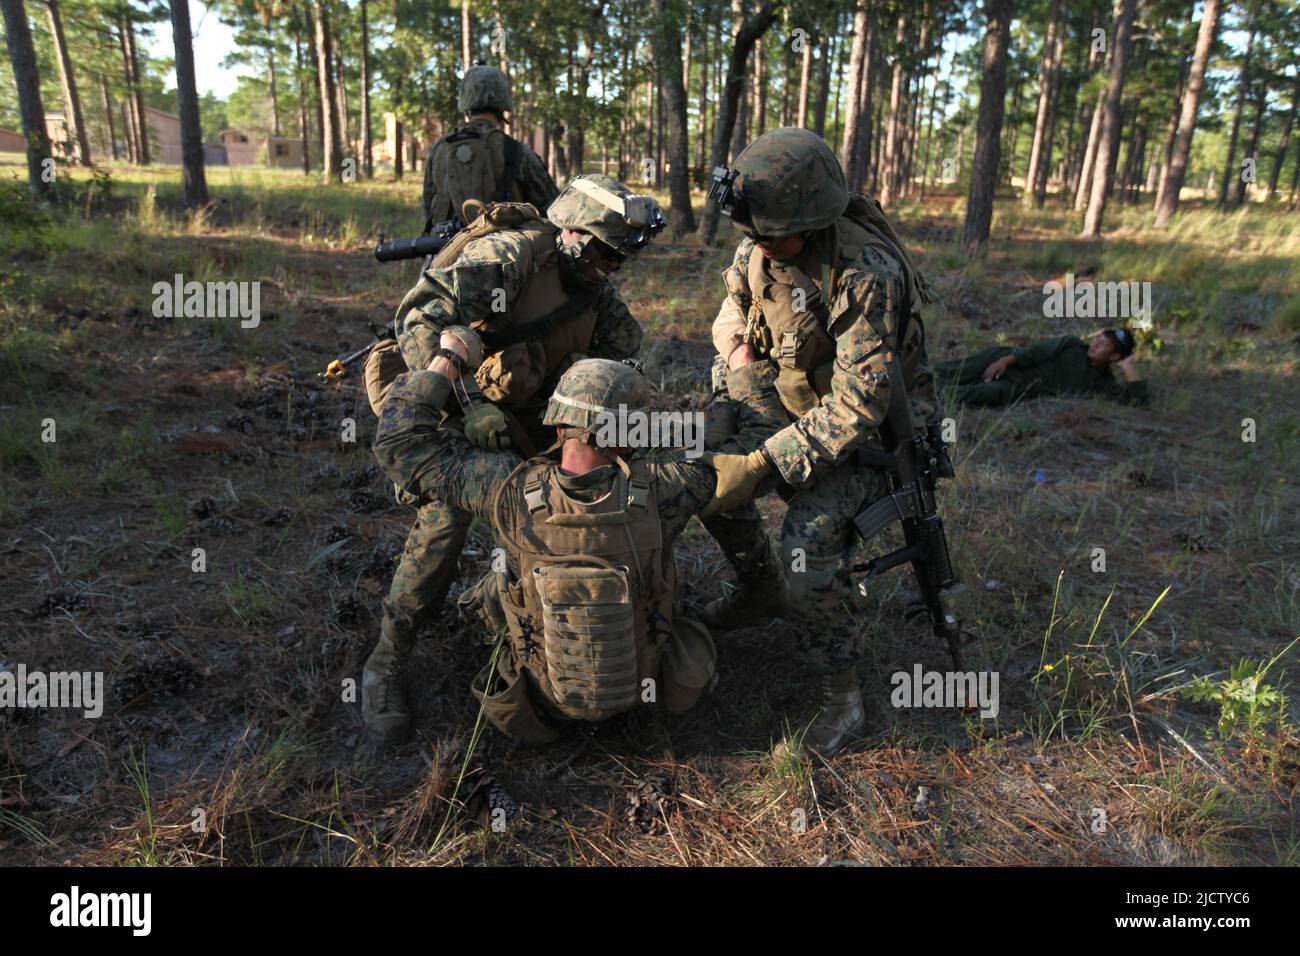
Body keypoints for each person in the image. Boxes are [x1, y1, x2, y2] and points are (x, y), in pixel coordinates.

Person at [361, 175, 664, 742]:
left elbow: (618, 360)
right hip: (448, 394)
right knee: (444, 524)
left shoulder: (594, 289)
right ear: (570, 232)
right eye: (603, 254)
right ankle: (388, 657)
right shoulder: (506, 257)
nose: (610, 269)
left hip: (530, 410)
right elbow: (418, 320)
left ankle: (511, 609)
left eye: (619, 259)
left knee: (573, 501)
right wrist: (466, 404)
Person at [370, 340, 787, 745]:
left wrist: (448, 358)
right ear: (632, 435)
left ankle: (391, 655)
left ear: (555, 424)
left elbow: (398, 443)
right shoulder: (668, 489)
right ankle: (762, 590)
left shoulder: (504, 488)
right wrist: (743, 368)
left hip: (538, 701)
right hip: (642, 693)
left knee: (496, 585)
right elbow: (762, 448)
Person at [699, 127, 941, 757]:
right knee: (699, 466)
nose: (760, 246)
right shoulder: (763, 243)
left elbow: (860, 405)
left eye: (773, 235)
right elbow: (731, 307)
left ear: (811, 220)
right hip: (788, 404)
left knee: (806, 542)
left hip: (873, 441)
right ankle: (758, 590)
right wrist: (735, 352)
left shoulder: (864, 272)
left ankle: (843, 696)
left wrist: (762, 464)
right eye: (754, 236)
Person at [421, 64, 558, 226]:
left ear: (466, 102)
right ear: (502, 104)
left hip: (448, 249)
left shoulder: (440, 149)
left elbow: (428, 209)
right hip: (505, 250)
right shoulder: (516, 151)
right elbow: (555, 209)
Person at [933, 328, 1148, 407]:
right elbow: (1035, 351)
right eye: (1098, 339)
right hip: (1007, 361)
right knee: (953, 371)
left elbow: (1136, 401)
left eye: (1105, 345)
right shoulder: (1073, 344)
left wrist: (1127, 368)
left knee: (982, 393)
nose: (1096, 345)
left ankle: (927, 395)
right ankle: (914, 377)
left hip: (1016, 386)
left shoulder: (1101, 383)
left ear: (1115, 356)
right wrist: (1004, 361)